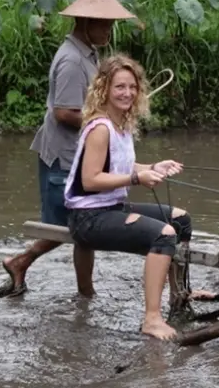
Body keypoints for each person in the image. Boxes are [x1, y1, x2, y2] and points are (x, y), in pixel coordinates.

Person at [0, 0, 136, 299]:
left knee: (78, 225)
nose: (109, 31)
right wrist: (106, 122)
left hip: (77, 155)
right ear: (85, 23)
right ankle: (24, 264)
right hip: (65, 156)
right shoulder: (72, 60)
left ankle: (83, 293)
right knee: (76, 224)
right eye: (105, 25)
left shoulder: (87, 53)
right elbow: (63, 112)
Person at [62, 53, 210, 341]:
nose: (127, 93)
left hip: (112, 207)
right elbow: (90, 179)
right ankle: (151, 319)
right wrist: (135, 179)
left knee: (181, 220)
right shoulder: (100, 128)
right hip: (88, 217)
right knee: (164, 234)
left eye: (132, 87)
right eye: (120, 86)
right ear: (104, 89)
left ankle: (179, 295)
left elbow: (120, 166)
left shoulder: (121, 124)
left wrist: (153, 167)